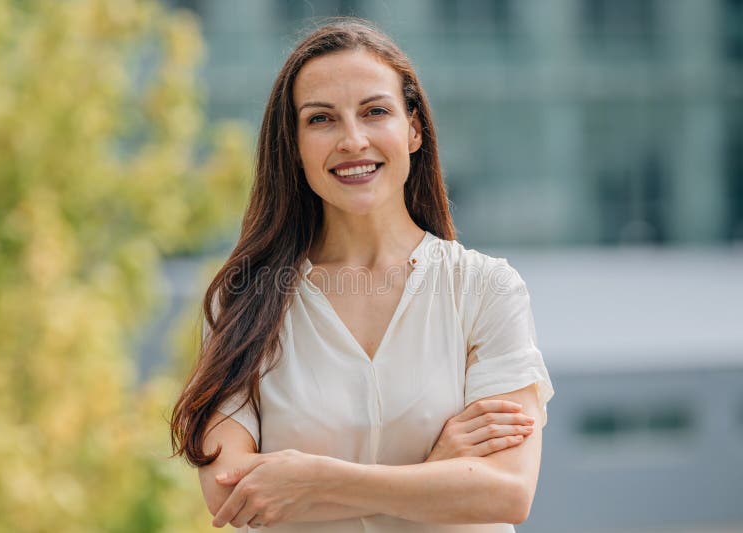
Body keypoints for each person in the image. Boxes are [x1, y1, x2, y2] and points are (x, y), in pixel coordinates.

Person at [170, 18, 554, 532]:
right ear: (295, 145)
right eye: (321, 119)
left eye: (375, 112)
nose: (353, 140)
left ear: (413, 129)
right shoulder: (243, 302)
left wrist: (312, 482)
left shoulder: (486, 290)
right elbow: (233, 497)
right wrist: (436, 473)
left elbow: (506, 491)